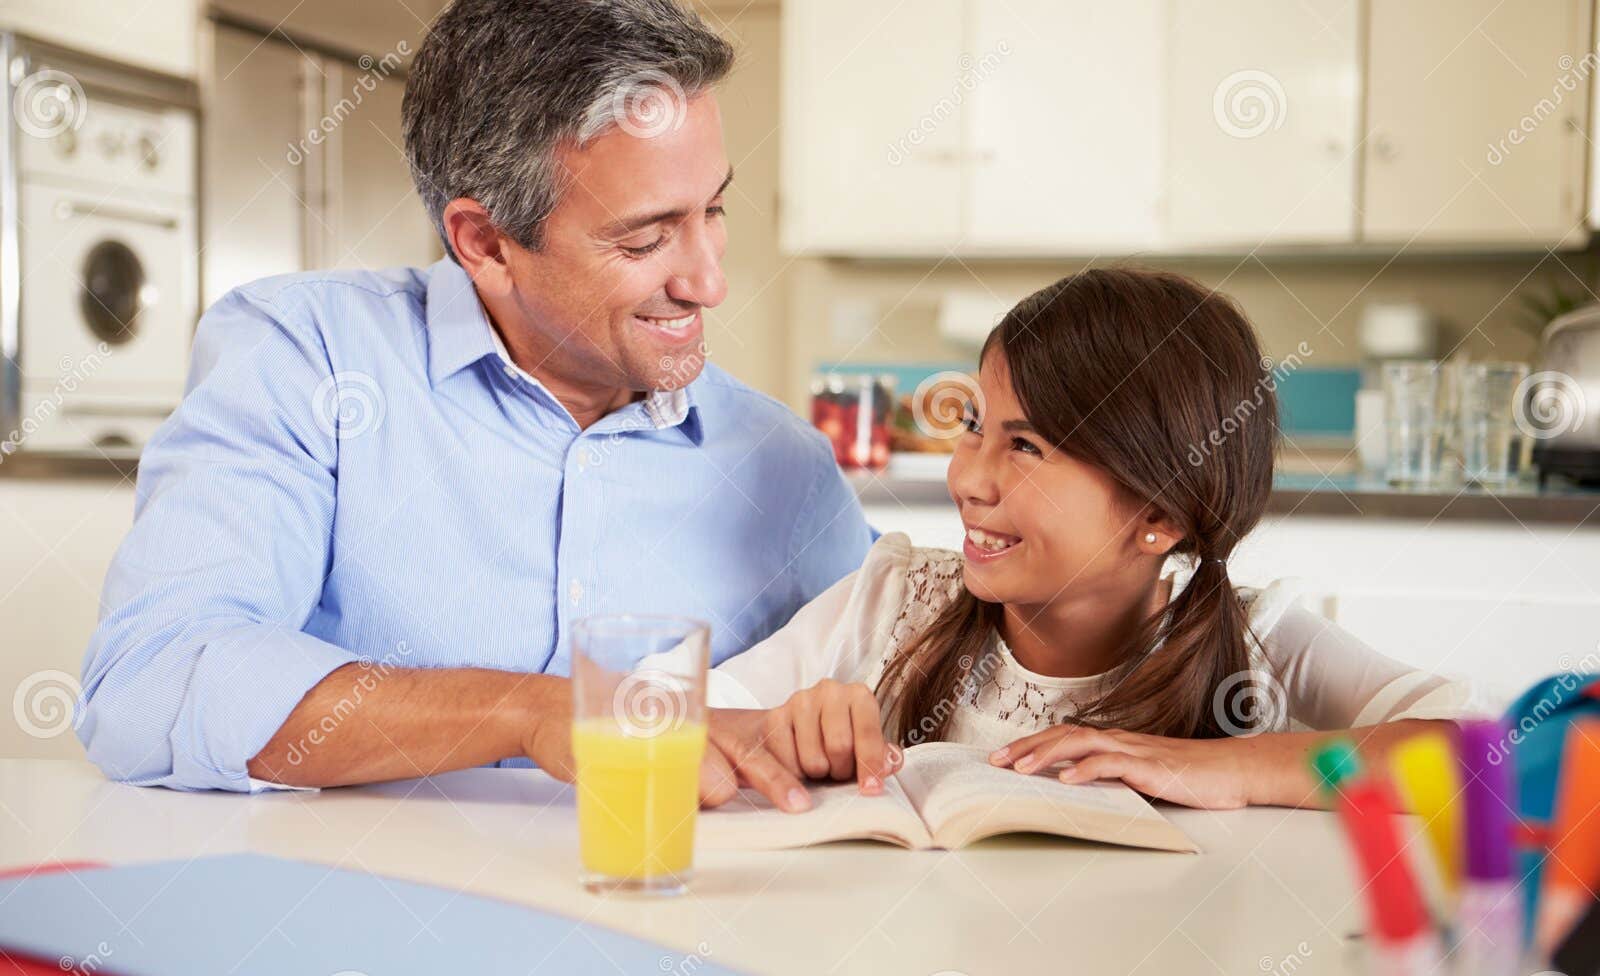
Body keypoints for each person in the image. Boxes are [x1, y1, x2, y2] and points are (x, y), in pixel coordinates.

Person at [76, 0, 872, 808]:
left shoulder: (783, 464)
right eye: (644, 240)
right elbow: (151, 683)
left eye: (714, 211)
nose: (709, 282)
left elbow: (923, 660)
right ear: (484, 243)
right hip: (354, 922)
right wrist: (530, 711)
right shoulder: (308, 357)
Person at [708, 268, 1479, 809]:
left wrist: (1234, 767)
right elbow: (666, 717)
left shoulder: (1257, 647)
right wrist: (779, 730)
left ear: (1159, 517)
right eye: (977, 426)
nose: (969, 478)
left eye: (1026, 447)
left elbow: (1486, 758)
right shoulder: (890, 601)